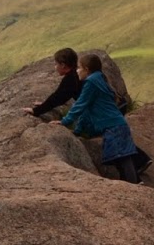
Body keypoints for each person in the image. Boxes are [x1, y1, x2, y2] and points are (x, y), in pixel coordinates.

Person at [60, 53, 143, 183]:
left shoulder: (91, 82)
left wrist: (64, 122)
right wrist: (77, 131)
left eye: (79, 68)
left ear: (86, 70)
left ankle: (135, 186)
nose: (77, 71)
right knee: (120, 159)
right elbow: (85, 111)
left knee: (123, 159)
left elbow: (80, 105)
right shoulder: (98, 80)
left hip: (113, 126)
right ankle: (134, 184)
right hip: (115, 124)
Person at [24, 48, 82, 120]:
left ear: (63, 65)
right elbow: (59, 96)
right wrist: (44, 104)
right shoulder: (76, 74)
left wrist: (35, 111)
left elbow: (56, 98)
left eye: (56, 64)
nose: (55, 67)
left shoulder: (70, 79)